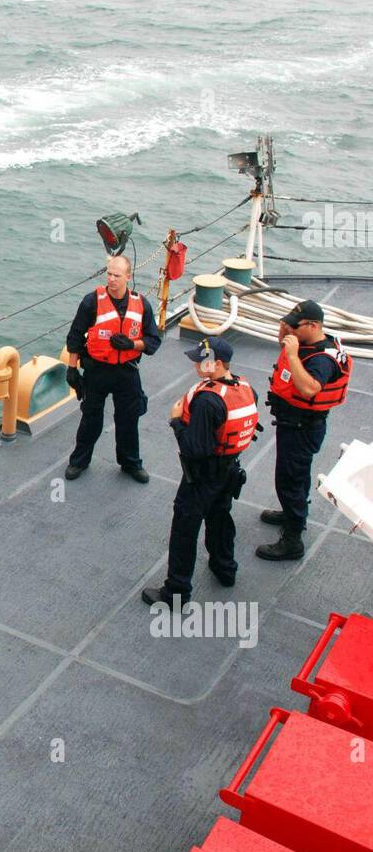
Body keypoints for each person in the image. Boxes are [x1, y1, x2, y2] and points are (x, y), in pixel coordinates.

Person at [142, 337, 259, 607]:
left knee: (185, 527)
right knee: (220, 518)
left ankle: (176, 592)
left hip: (202, 477)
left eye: (201, 360)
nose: (196, 364)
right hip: (230, 470)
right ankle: (225, 568)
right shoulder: (245, 388)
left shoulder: (207, 401)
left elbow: (195, 448)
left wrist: (175, 420)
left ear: (217, 364)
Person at [256, 300, 352, 562]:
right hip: (292, 423)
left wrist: (290, 354)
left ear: (313, 325)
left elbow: (310, 388)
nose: (290, 331)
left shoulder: (322, 360)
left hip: (302, 428)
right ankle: (291, 513)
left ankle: (293, 538)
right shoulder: (305, 343)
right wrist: (285, 333)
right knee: (294, 477)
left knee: (290, 480)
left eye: (294, 326)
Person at [64, 254, 162, 483]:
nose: (111, 279)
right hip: (97, 371)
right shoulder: (91, 302)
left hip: (127, 371)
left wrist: (132, 344)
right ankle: (78, 461)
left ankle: (131, 464)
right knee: (91, 419)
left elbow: (153, 341)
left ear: (128, 277)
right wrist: (72, 369)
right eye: (109, 274)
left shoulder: (141, 305)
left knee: (128, 420)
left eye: (117, 275)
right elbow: (75, 336)